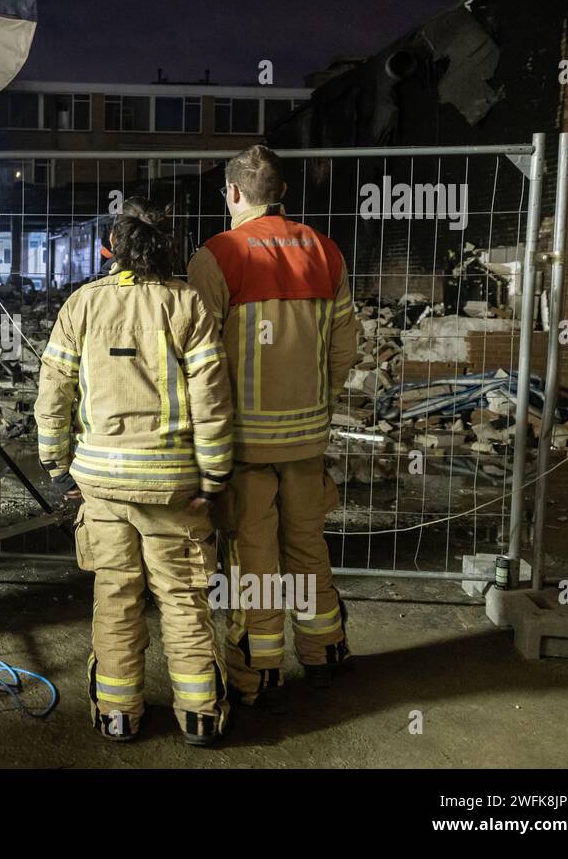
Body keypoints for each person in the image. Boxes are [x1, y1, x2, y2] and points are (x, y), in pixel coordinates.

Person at [35, 199, 234, 746]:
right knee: (184, 597)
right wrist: (214, 476)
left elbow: (52, 393)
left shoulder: (81, 306)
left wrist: (57, 466)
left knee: (116, 595)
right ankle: (199, 715)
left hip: (100, 486)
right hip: (173, 486)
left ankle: (117, 713)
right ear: (168, 251)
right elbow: (212, 401)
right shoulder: (188, 305)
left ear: (109, 252)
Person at [187, 144, 360, 711]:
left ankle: (258, 671)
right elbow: (344, 346)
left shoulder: (217, 257)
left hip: (244, 445)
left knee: (253, 555)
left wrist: (201, 434)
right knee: (308, 542)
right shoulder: (326, 252)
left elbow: (199, 358)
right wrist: (319, 401)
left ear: (234, 194)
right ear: (283, 192)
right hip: (307, 437)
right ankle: (325, 650)